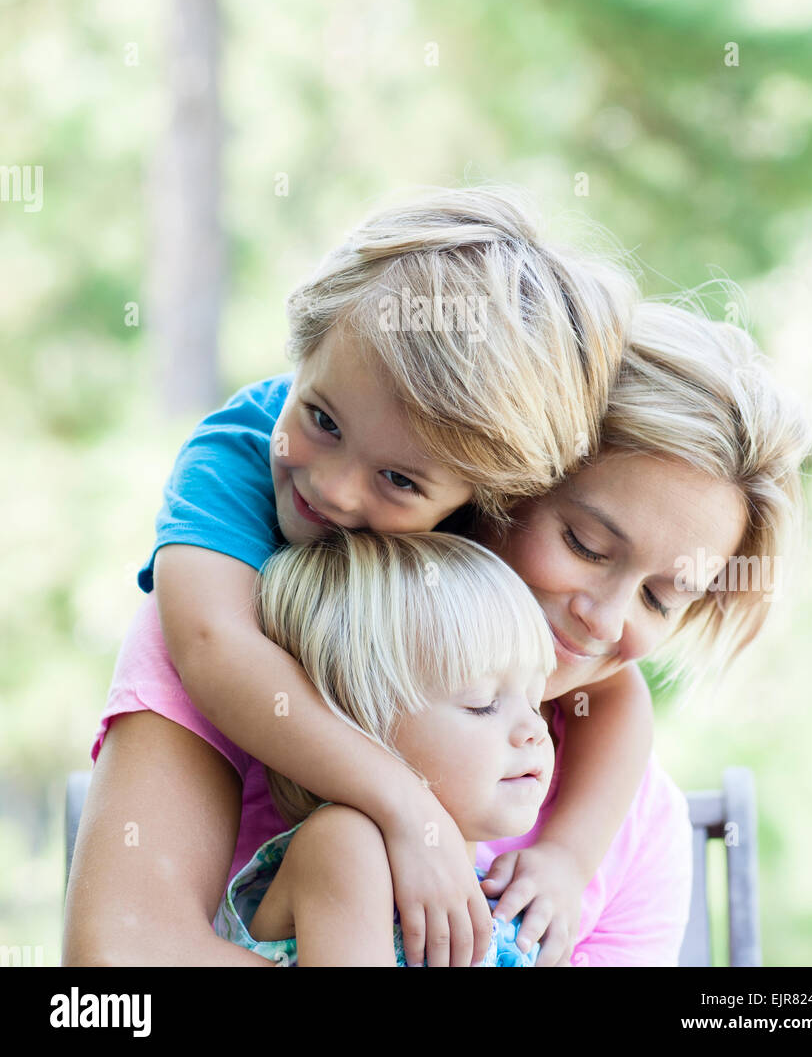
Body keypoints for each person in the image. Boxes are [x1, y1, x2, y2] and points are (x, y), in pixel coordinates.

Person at [62, 297, 811, 967]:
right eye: (583, 544)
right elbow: (117, 966)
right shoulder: (246, 649)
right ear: (490, 475)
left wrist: (571, 854)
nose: (607, 621)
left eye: (660, 598)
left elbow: (621, 696)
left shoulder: (627, 820)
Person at [131, 182, 655, 965]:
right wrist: (409, 808)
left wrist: (569, 859)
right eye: (321, 419)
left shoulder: (473, 530)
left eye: (401, 481)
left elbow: (616, 693)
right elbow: (212, 644)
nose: (334, 489)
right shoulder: (237, 455)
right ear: (303, 350)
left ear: (482, 502)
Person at [212, 528, 557, 966]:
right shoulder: (342, 844)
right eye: (482, 703)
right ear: (357, 729)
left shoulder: (508, 895)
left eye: (535, 701)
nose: (534, 729)